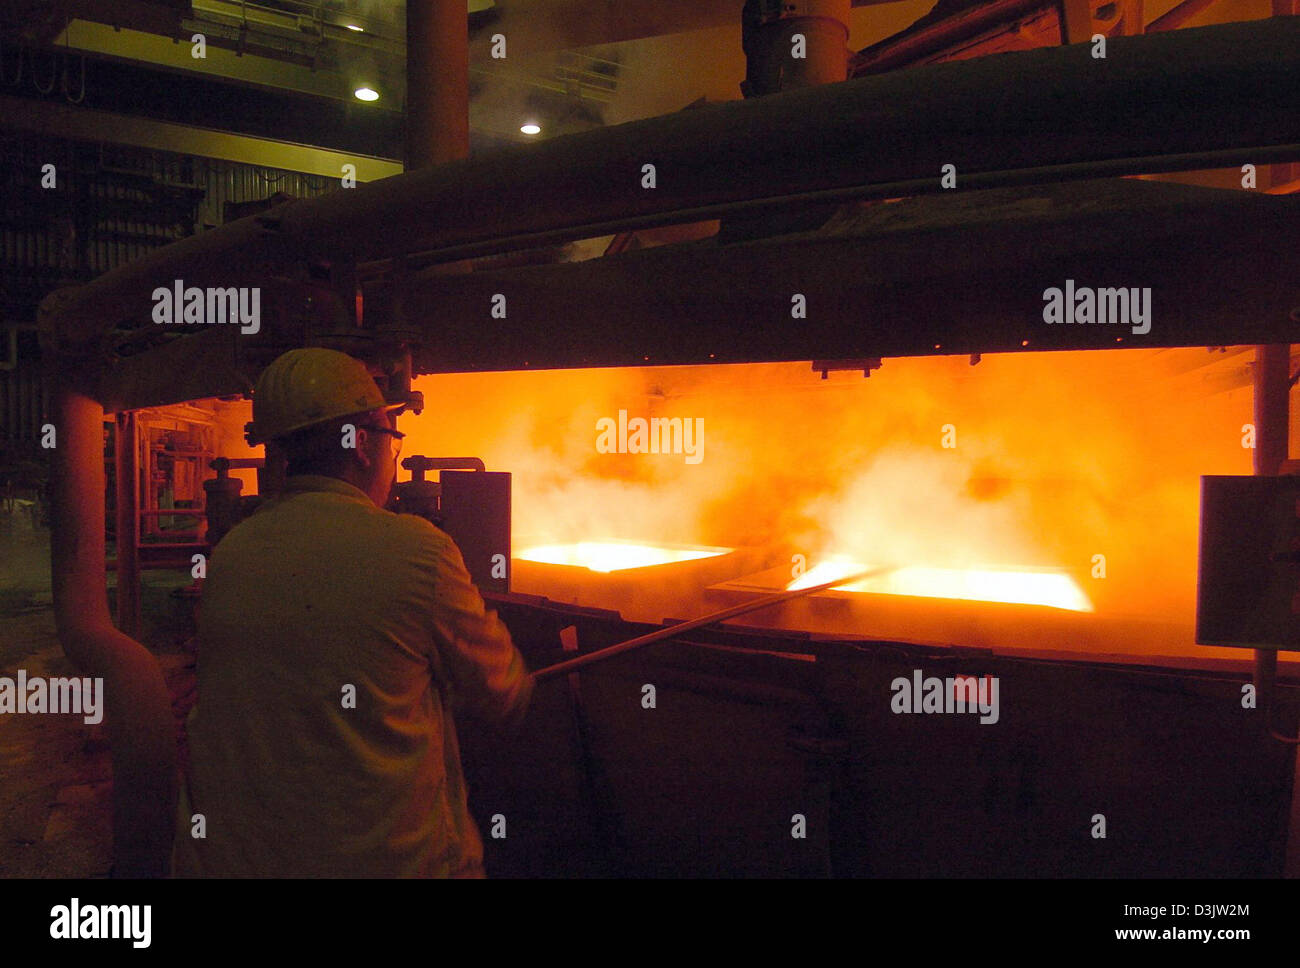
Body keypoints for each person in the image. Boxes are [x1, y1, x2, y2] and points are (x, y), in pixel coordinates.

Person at [174, 348, 532, 877]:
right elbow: (504, 691)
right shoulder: (416, 551)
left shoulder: (232, 552)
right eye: (392, 437)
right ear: (363, 444)